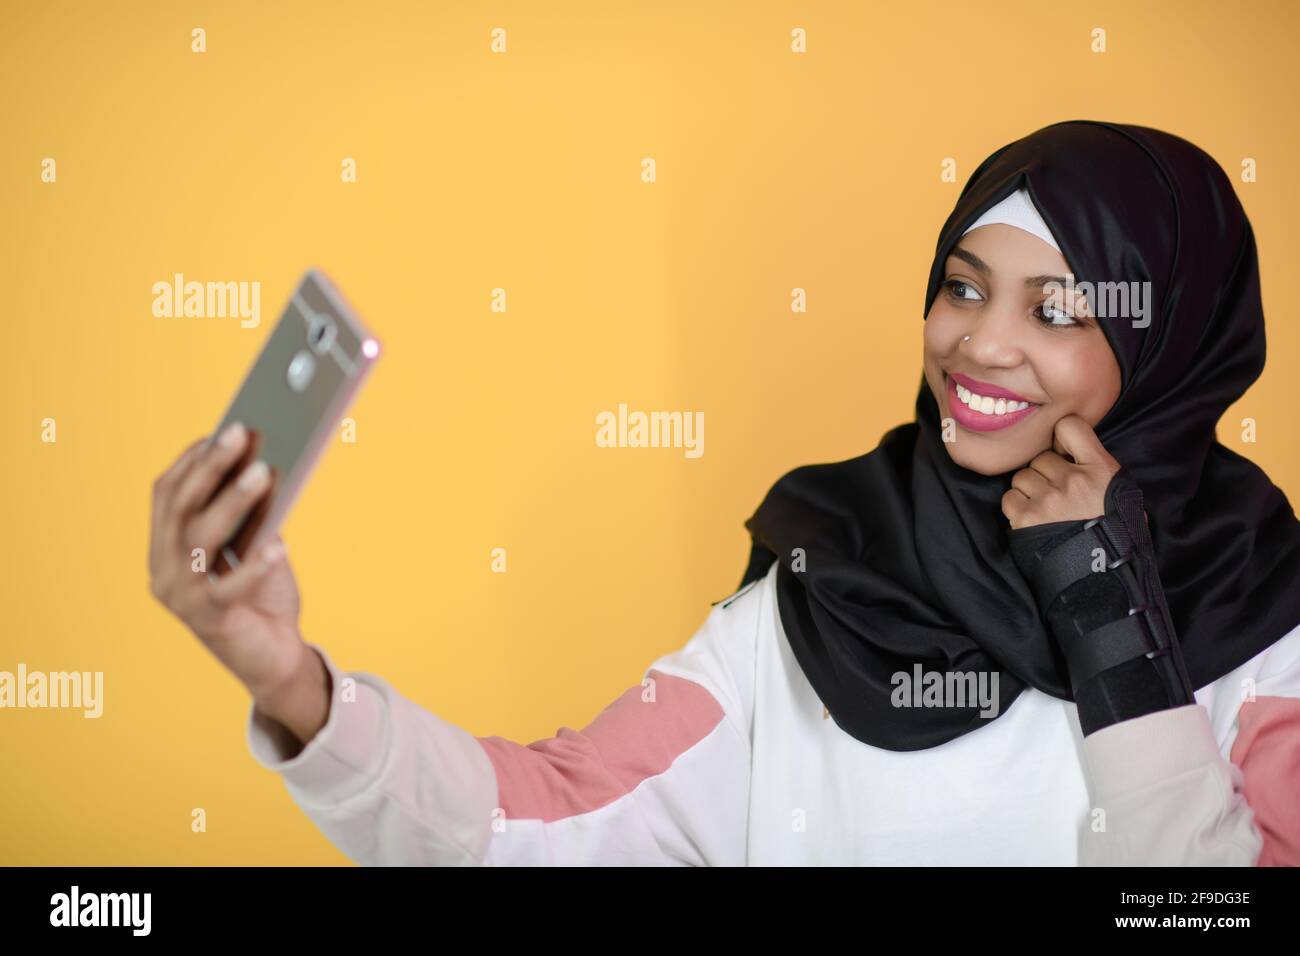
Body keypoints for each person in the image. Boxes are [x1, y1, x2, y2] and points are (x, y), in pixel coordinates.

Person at [148, 120, 1300, 865]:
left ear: (1166, 351)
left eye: (1055, 309)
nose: (979, 346)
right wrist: (290, 679)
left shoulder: (1267, 628)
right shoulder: (828, 582)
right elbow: (545, 820)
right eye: (962, 286)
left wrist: (1110, 618)